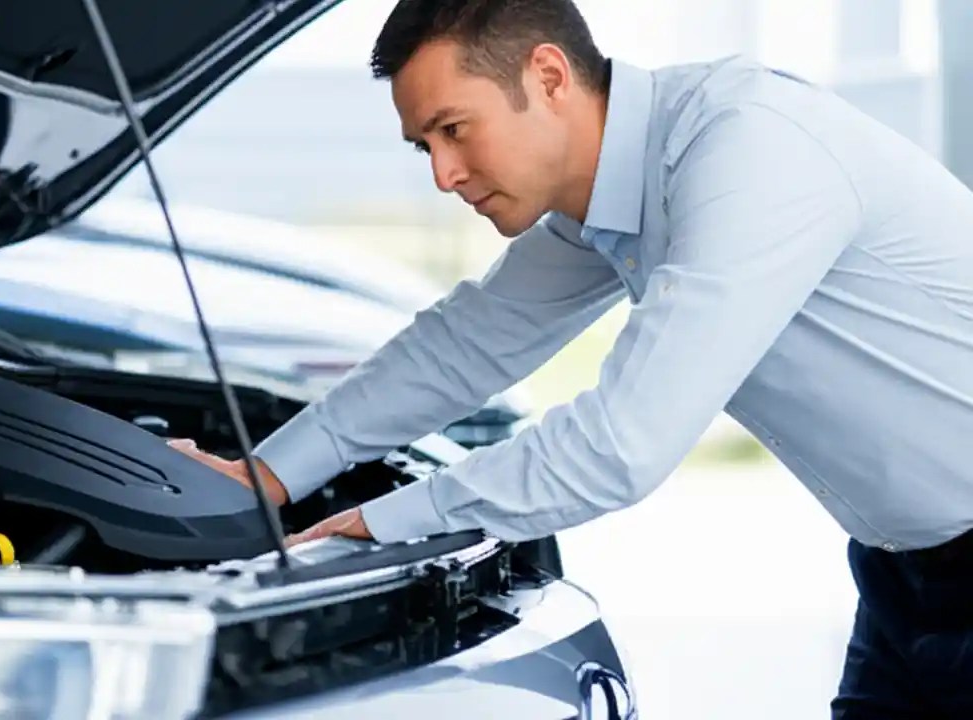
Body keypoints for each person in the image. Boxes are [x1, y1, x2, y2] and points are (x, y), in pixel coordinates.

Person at [170, 0, 973, 715]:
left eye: (455, 129)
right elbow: (465, 342)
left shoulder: (750, 153)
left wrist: (377, 526)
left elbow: (621, 444)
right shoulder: (611, 199)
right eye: (425, 148)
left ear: (548, 75)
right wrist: (266, 478)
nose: (445, 175)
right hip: (904, 579)